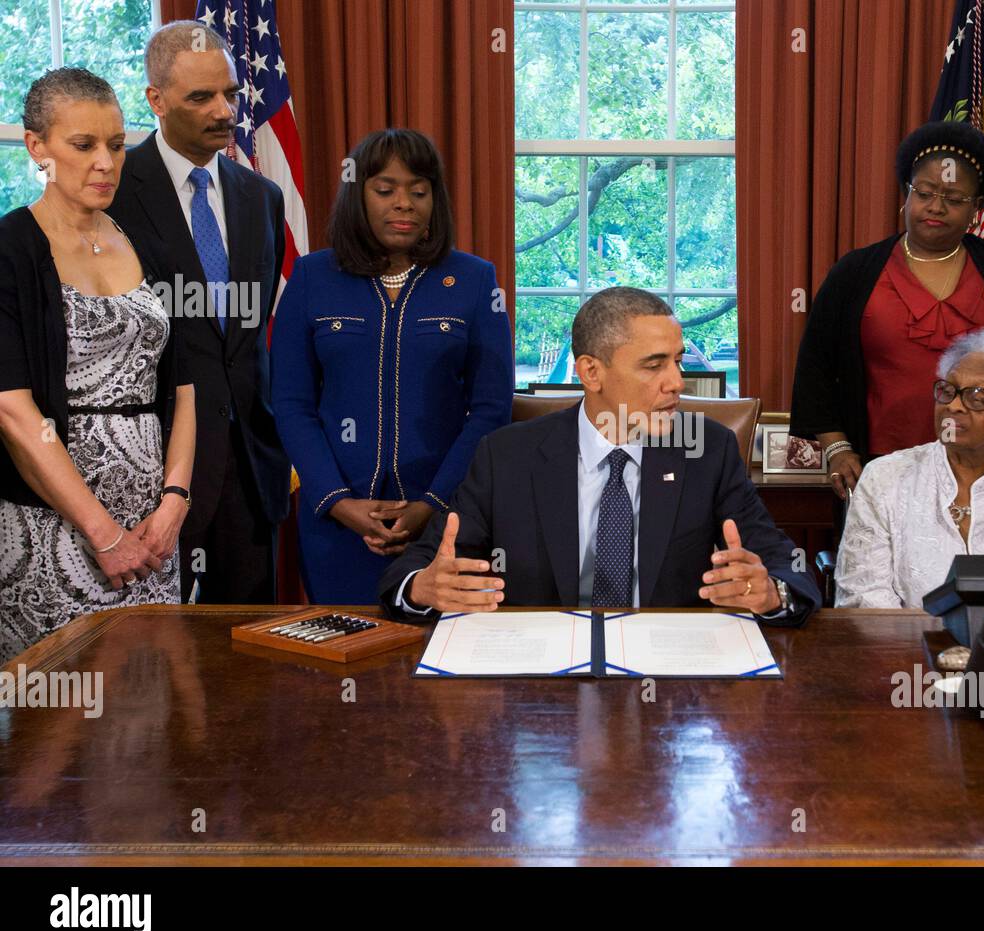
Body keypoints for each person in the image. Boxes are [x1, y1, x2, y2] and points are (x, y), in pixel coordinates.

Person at [377, 287, 822, 625]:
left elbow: (788, 569)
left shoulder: (707, 448)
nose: (677, 383)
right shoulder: (506, 456)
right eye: (654, 365)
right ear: (591, 372)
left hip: (669, 679)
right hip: (540, 683)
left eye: (678, 361)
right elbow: (417, 568)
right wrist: (422, 588)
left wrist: (770, 594)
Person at [271, 129, 514, 603]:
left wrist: (431, 505)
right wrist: (338, 503)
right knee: (344, 651)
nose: (404, 203)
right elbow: (292, 403)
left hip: (444, 520)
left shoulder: (474, 279)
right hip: (336, 523)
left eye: (418, 191)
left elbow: (490, 408)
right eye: (385, 190)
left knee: (436, 656)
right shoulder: (312, 277)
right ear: (357, 195)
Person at [0, 68, 195, 659]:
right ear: (38, 147)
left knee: (148, 706)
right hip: (51, 525)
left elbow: (184, 389)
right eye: (83, 145)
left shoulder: (150, 245)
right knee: (59, 724)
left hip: (154, 527)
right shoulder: (11, 249)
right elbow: (11, 409)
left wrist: (175, 500)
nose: (106, 162)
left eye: (116, 144)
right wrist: (104, 535)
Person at [107, 20, 289, 603]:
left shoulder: (262, 196)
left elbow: (251, 331)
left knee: (250, 663)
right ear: (155, 100)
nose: (224, 111)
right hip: (153, 476)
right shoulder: (112, 194)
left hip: (252, 475)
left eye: (231, 94)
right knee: (163, 668)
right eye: (201, 97)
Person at [791, 120, 984, 503]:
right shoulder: (854, 273)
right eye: (925, 193)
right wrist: (837, 448)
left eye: (953, 199)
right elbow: (815, 369)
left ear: (976, 209)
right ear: (906, 194)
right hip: (880, 470)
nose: (935, 207)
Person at [835, 329, 984, 608]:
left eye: (977, 398)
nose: (954, 406)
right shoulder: (885, 478)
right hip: (905, 649)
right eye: (947, 391)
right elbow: (864, 598)